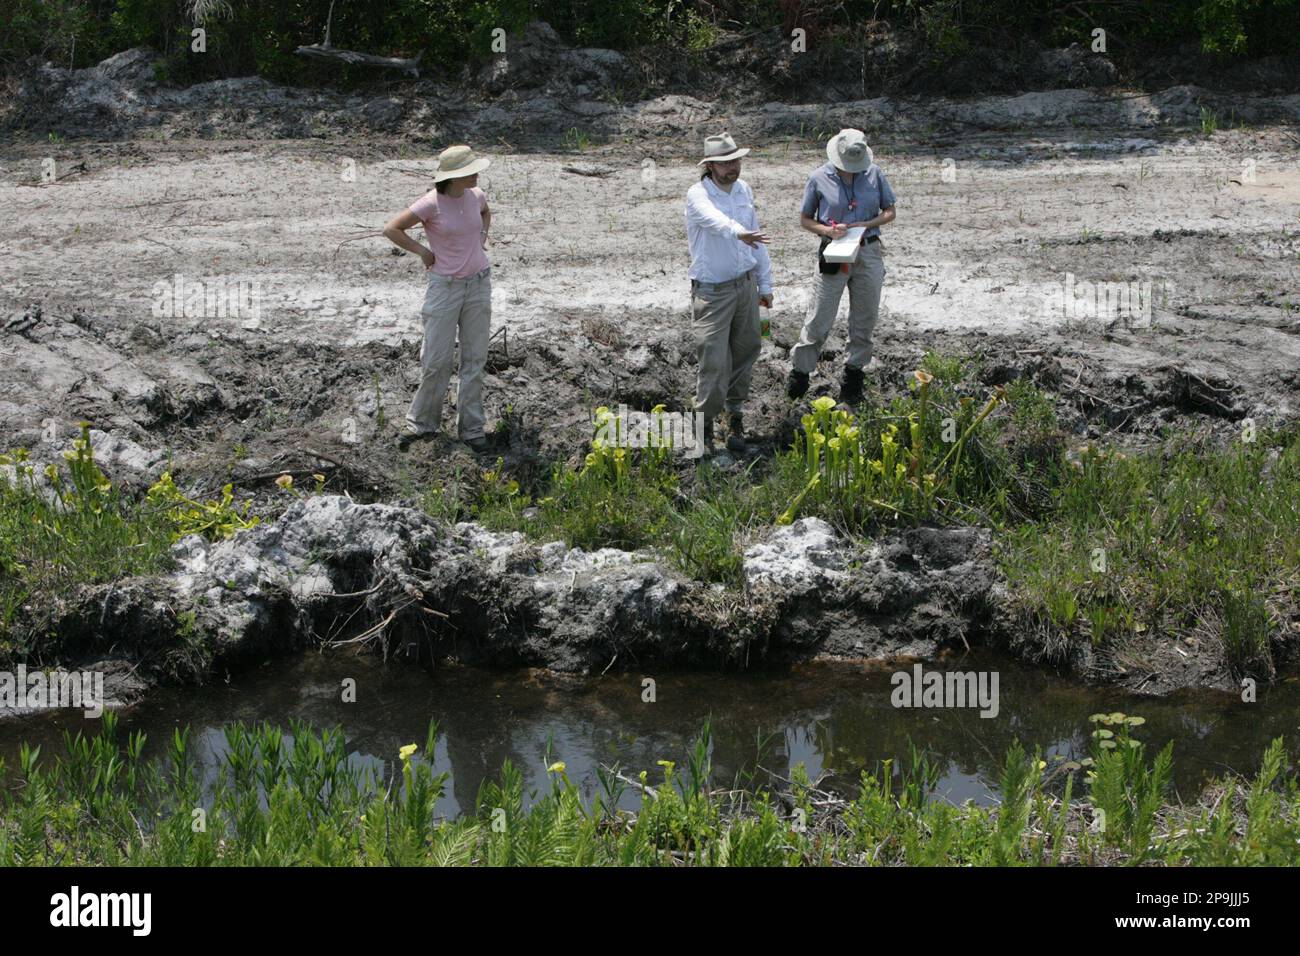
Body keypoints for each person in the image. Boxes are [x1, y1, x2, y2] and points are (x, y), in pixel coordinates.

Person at [383, 144, 493, 452]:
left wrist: (482, 237)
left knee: (475, 359)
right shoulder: (431, 203)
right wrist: (423, 252)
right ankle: (422, 425)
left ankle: (472, 429)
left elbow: (485, 213)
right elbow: (392, 228)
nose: (477, 174)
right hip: (444, 288)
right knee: (436, 361)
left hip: (479, 285)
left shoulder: (476, 196)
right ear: (455, 176)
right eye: (471, 170)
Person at [787, 128, 896, 406]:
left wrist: (866, 224)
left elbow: (890, 211)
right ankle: (799, 378)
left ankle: (853, 380)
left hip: (867, 251)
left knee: (865, 317)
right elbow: (805, 219)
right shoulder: (818, 177)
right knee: (820, 317)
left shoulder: (875, 174)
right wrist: (827, 230)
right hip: (833, 252)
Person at [684, 132, 774, 454]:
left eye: (735, 160)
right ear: (709, 165)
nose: (732, 167)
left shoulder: (744, 190)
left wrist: (766, 286)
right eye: (724, 163)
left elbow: (758, 240)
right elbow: (715, 221)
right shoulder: (698, 194)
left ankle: (734, 417)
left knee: (747, 349)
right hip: (713, 292)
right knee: (713, 359)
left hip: (745, 286)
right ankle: (703, 428)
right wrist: (740, 233)